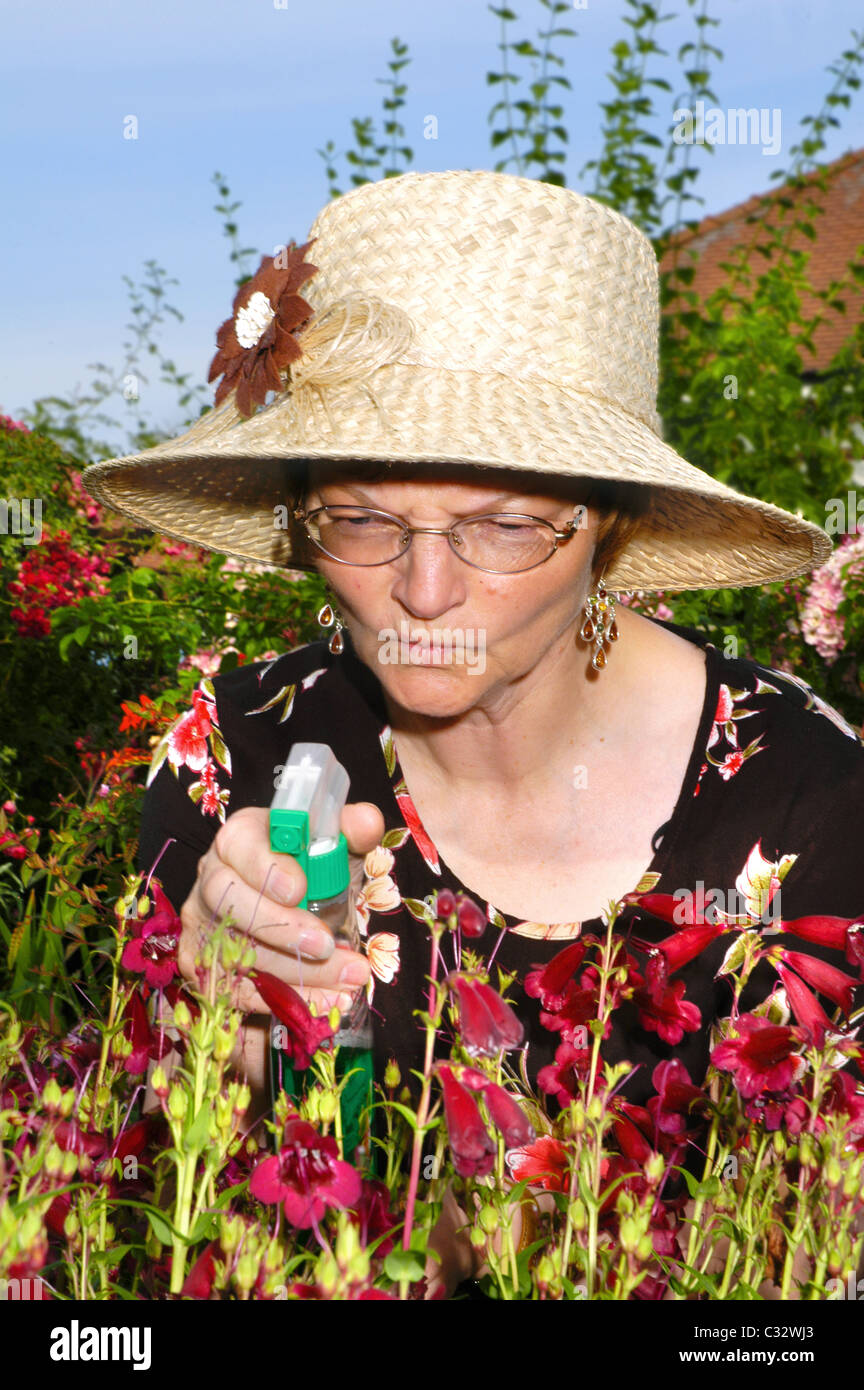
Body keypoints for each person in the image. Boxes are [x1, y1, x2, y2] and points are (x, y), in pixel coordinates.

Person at [84, 169, 864, 1296]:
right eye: (362, 518)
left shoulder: (808, 799)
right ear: (301, 527)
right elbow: (125, 1234)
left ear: (610, 526)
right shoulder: (239, 756)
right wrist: (210, 1030)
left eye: (501, 524)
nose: (426, 591)